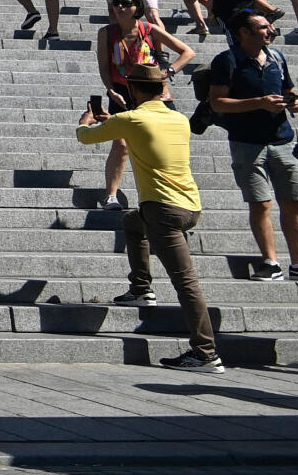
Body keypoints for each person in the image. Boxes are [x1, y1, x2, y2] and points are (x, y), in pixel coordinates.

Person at [77, 65, 222, 371]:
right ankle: (141, 288)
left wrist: (86, 121)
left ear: (133, 90)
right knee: (132, 223)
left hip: (163, 211)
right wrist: (116, 121)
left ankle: (206, 352)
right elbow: (141, 128)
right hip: (190, 206)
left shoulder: (132, 119)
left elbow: (86, 137)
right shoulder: (178, 119)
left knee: (186, 282)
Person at [207, 12, 298, 281]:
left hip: (282, 139)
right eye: (262, 27)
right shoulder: (227, 60)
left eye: (269, 26)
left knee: (293, 202)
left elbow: (291, 90)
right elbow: (217, 103)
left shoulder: (276, 58)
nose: (270, 31)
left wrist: (294, 102)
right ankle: (270, 262)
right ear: (244, 32)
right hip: (247, 143)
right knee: (261, 204)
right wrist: (259, 102)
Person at [93, 0, 195, 208]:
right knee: (121, 144)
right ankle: (111, 195)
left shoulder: (148, 29)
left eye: (124, 4)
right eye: (115, 3)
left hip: (153, 93)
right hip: (122, 91)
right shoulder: (107, 33)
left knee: (163, 142)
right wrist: (111, 90)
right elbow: (104, 66)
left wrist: (168, 72)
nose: (118, 7)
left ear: (136, 8)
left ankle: (170, 191)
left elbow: (187, 52)